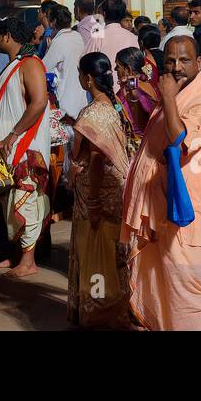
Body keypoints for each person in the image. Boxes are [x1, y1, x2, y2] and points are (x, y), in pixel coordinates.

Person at [122, 34, 201, 330]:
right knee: (163, 287)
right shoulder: (177, 93)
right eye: (170, 61)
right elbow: (153, 136)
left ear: (199, 63)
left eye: (184, 60)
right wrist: (140, 103)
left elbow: (178, 144)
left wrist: (165, 96)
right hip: (162, 211)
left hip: (187, 215)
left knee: (185, 293)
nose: (177, 67)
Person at [67, 52, 133, 328]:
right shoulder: (116, 105)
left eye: (81, 74)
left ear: (88, 78)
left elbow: (95, 160)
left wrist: (92, 201)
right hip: (117, 192)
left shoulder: (93, 113)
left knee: (96, 257)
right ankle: (118, 310)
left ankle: (100, 314)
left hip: (96, 197)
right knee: (114, 256)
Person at [0, 16, 51, 278]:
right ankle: (16, 255)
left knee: (27, 200)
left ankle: (29, 261)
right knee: (10, 202)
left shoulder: (31, 64)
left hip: (25, 144)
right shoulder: (15, 64)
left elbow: (38, 102)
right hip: (8, 145)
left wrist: (13, 136)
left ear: (6, 36)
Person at [43, 6, 86, 124]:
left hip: (64, 103)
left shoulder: (58, 42)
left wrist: (48, 48)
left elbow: (43, 69)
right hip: (80, 100)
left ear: (53, 22)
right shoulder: (77, 37)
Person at [113, 47, 157, 138]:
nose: (115, 69)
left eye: (118, 66)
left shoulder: (130, 90)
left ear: (128, 70)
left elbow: (120, 114)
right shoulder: (146, 84)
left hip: (138, 142)